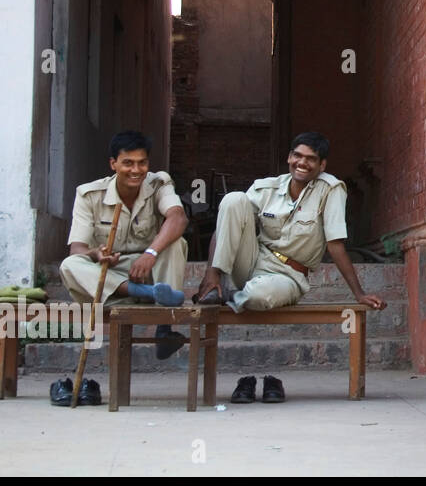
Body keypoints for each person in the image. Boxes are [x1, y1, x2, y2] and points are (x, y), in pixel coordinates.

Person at [192, 132, 385, 404]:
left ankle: (232, 296)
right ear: (289, 157)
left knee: (260, 295)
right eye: (298, 156)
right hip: (251, 261)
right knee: (233, 200)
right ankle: (219, 287)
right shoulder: (267, 187)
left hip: (288, 276)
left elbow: (335, 245)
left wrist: (359, 294)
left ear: (322, 165)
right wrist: (211, 274)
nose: (302, 163)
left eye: (311, 159)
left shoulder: (330, 190)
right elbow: (226, 225)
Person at [51, 131, 189, 406]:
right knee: (70, 265)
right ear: (113, 163)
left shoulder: (160, 183)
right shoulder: (89, 194)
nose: (136, 170)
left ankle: (165, 327)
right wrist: (95, 253)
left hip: (148, 270)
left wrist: (151, 253)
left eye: (141, 163)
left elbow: (178, 217)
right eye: (128, 163)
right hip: (108, 277)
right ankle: (147, 293)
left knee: (176, 243)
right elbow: (77, 249)